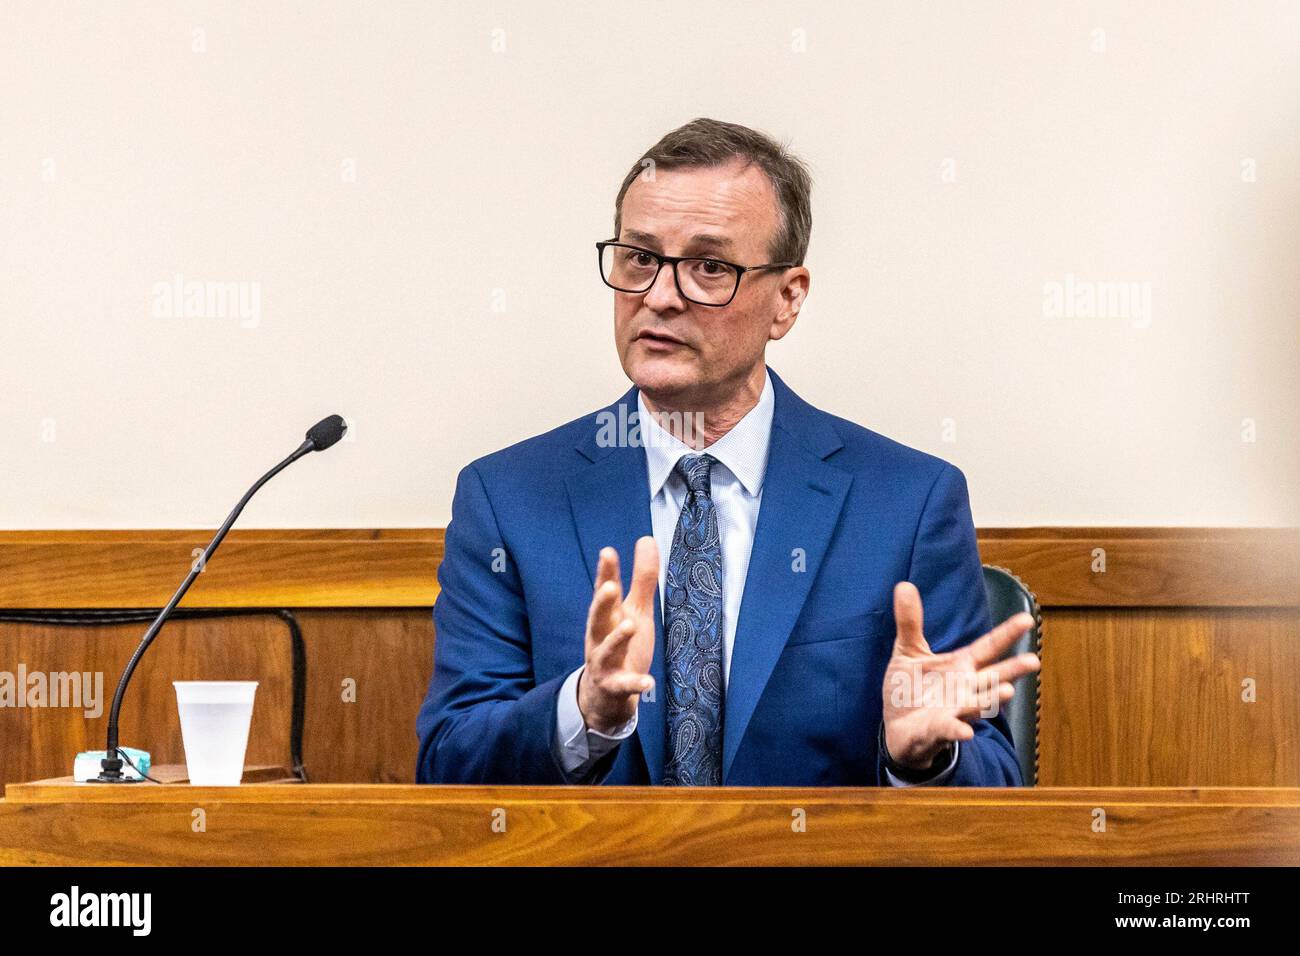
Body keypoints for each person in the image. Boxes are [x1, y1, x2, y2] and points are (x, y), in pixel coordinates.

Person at [417, 117, 1040, 786]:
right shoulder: (508, 498)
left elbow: (996, 788)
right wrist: (582, 710)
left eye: (709, 267)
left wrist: (922, 755)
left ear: (787, 300)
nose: (657, 297)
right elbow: (450, 765)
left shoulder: (908, 503)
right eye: (639, 259)